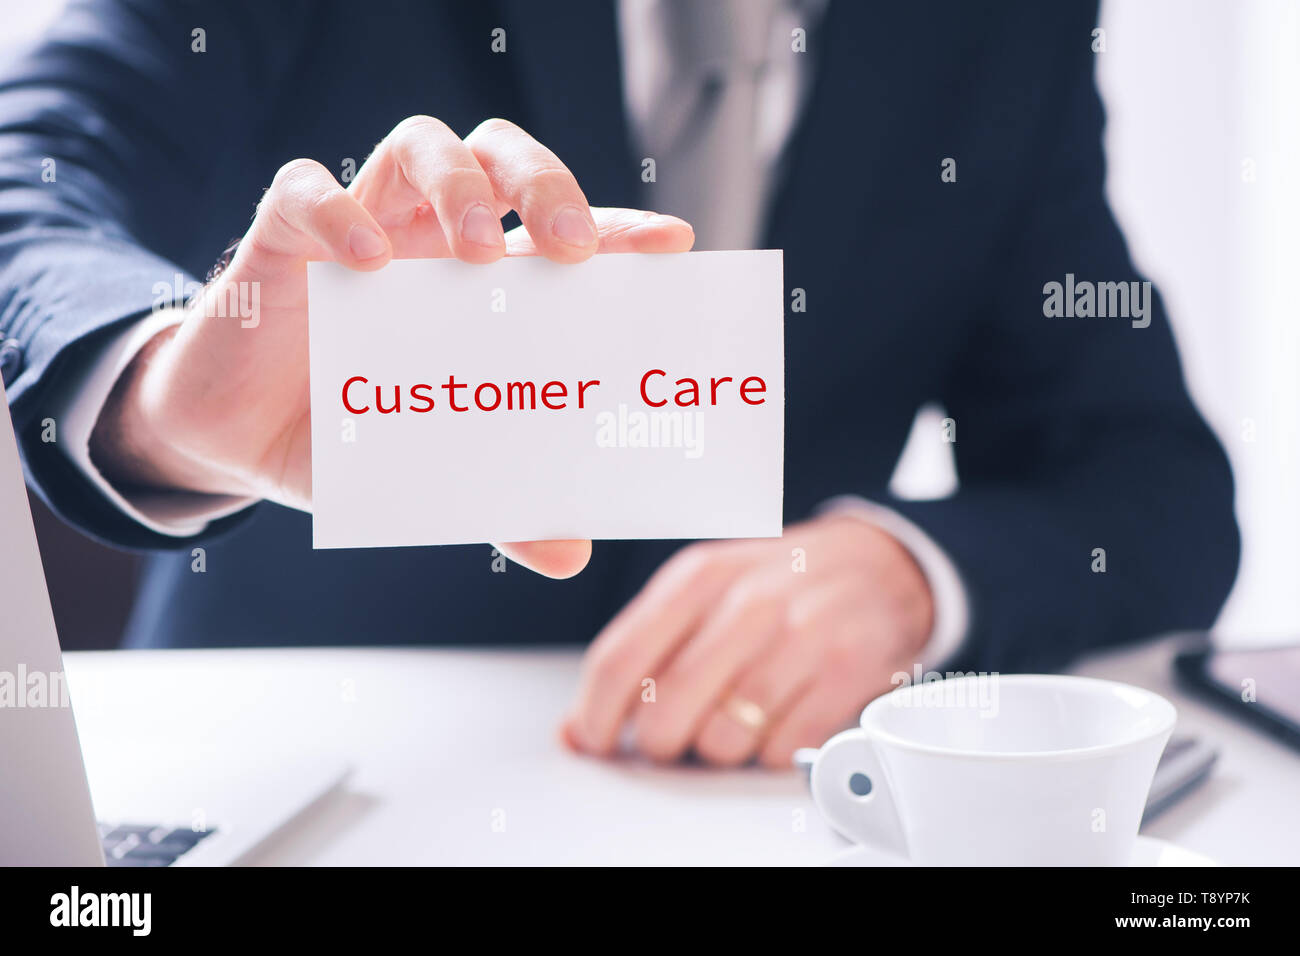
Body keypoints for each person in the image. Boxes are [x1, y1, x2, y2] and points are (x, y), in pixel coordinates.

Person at [0, 0, 1239, 768]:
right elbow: (30, 170)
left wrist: (908, 575)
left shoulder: (993, 21)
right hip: (313, 789)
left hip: (749, 810)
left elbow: (1148, 480)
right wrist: (166, 389)